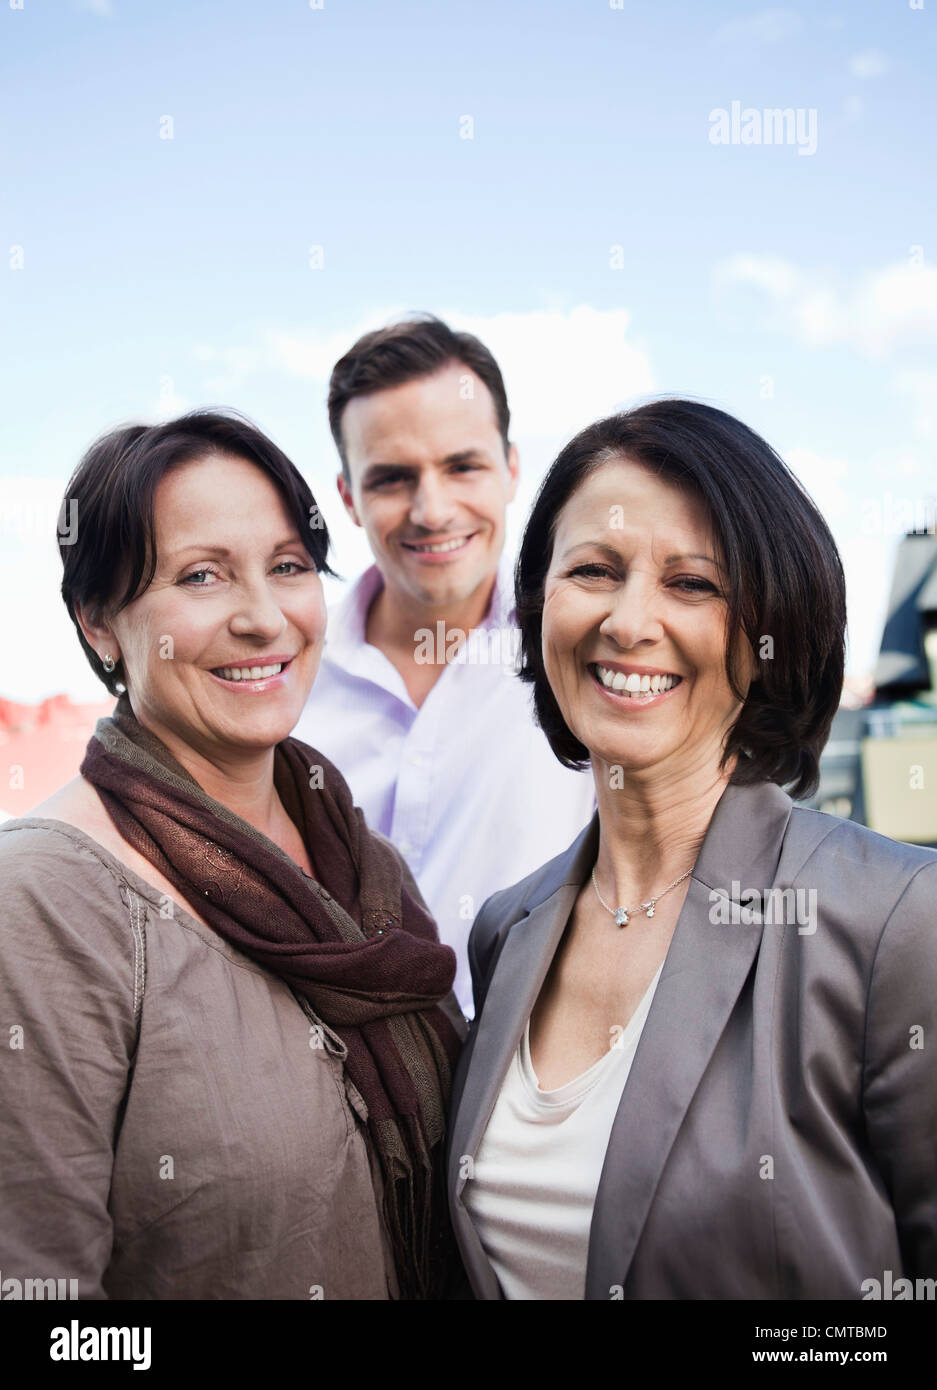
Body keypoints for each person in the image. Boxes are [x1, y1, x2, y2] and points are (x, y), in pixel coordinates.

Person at [446, 399, 937, 1300]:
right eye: (593, 570)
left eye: (692, 584)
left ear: (770, 627)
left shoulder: (895, 921)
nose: (629, 622)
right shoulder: (505, 932)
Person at [0, 409, 464, 1300]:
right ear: (98, 622)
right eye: (202, 575)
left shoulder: (366, 870)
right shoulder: (47, 901)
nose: (263, 618)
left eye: (287, 566)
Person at [293, 314, 596, 1017]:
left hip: (528, 1072)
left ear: (511, 469)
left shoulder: (585, 656)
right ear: (348, 497)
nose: (432, 511)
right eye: (393, 479)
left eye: (462, 467)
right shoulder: (285, 685)